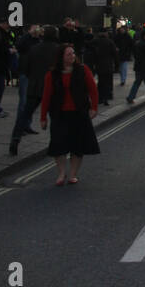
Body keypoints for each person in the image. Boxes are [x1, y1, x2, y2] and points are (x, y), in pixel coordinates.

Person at [40, 43, 100, 185]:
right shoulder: (52, 74)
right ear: (61, 57)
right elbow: (46, 96)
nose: (72, 56)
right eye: (69, 54)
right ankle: (61, 173)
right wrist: (43, 117)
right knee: (58, 145)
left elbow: (93, 90)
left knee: (77, 146)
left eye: (73, 53)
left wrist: (94, 108)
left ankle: (72, 174)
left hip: (79, 113)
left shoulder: (83, 70)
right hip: (59, 114)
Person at [10, 24, 59, 153]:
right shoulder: (59, 50)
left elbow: (26, 69)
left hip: (35, 86)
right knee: (55, 116)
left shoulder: (34, 49)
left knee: (25, 114)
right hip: (53, 88)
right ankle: (55, 142)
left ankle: (15, 139)